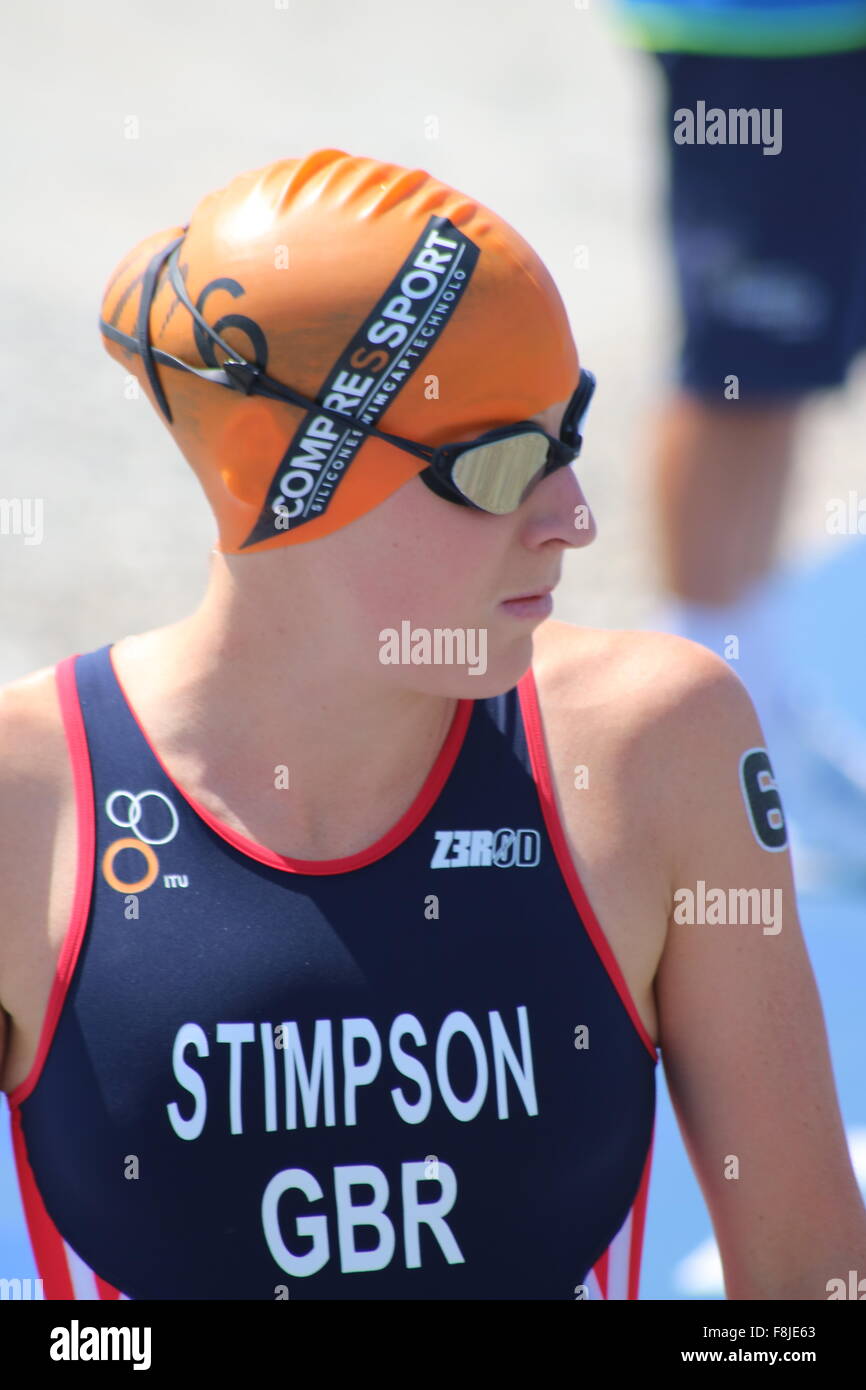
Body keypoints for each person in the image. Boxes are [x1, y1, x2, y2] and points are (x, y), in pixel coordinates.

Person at [1, 149, 863, 1300]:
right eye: (500, 463)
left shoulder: (651, 751)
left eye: (567, 433)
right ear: (280, 479)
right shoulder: (27, 808)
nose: (572, 515)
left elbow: (809, 1295)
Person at [612, 0, 866, 882]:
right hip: (774, 28)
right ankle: (711, 735)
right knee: (749, 363)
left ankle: (757, 708)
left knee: (781, 365)